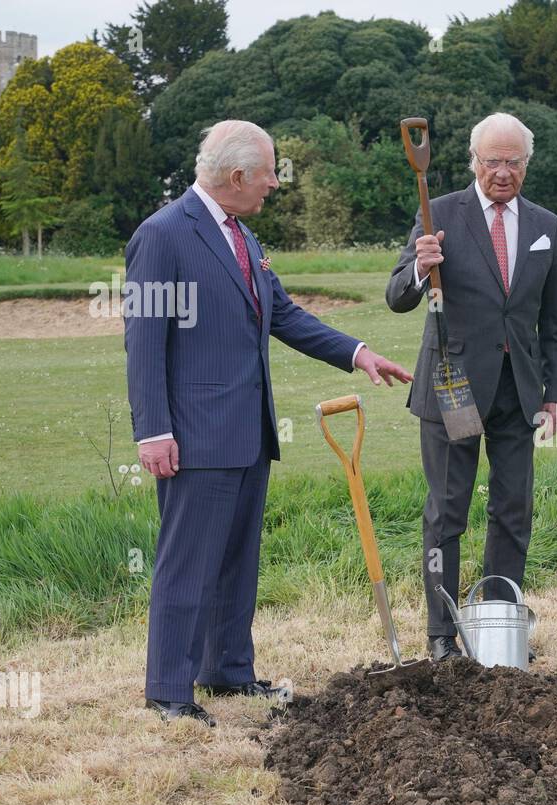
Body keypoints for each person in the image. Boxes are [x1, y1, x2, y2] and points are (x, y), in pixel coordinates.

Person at [126, 120, 412, 725]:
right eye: (269, 173)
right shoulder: (162, 236)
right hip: (193, 436)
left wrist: (358, 354)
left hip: (250, 432)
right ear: (236, 177)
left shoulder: (243, 236)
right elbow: (143, 343)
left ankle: (227, 671)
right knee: (186, 563)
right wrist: (153, 431)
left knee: (236, 560)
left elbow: (282, 313)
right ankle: (168, 692)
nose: (275, 184)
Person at [385, 112, 557, 661]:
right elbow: (396, 295)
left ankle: (496, 632)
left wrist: (555, 391)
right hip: (453, 389)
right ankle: (443, 636)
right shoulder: (437, 213)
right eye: (493, 161)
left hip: (519, 391)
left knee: (514, 508)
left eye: (513, 161)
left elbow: (553, 319)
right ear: (475, 161)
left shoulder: (545, 225)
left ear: (526, 164)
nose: (503, 172)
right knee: (447, 512)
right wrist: (420, 268)